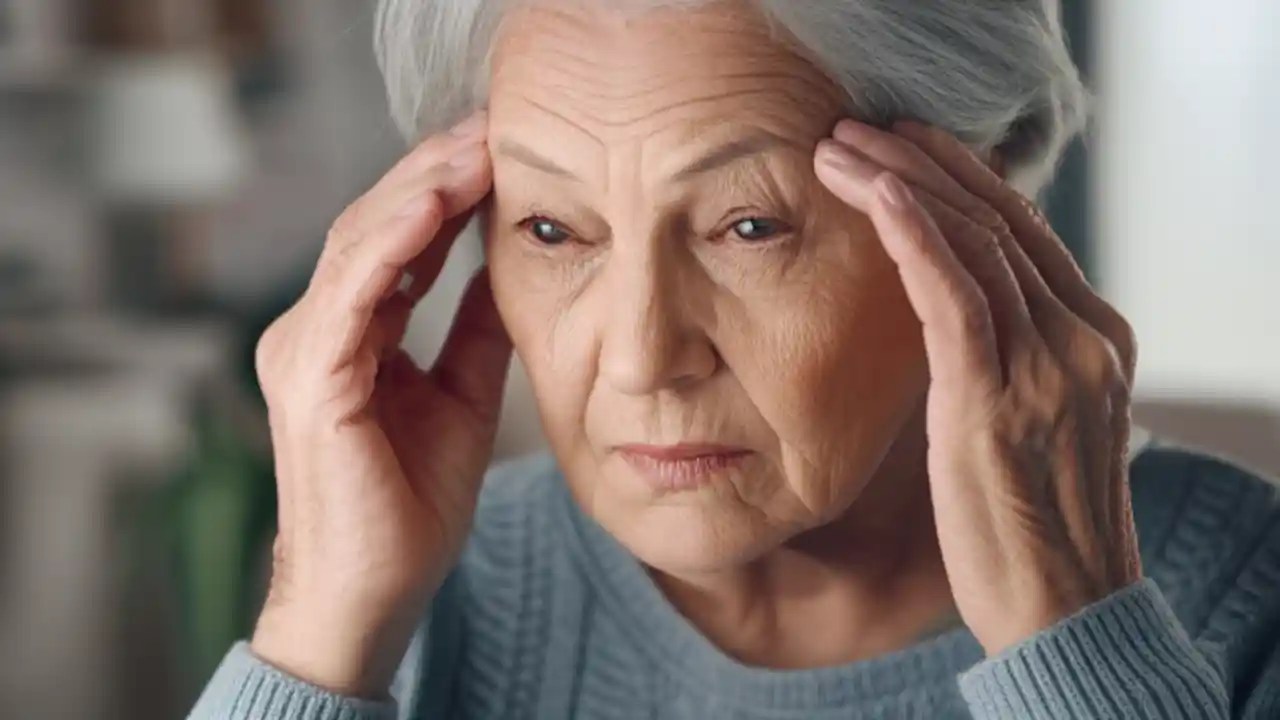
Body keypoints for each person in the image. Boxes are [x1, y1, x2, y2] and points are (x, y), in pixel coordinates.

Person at [190, 1, 1280, 718]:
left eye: (747, 227)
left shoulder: (1244, 595)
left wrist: (1079, 649)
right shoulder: (414, 605)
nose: (641, 361)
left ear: (976, 203)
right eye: (553, 230)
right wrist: (314, 632)